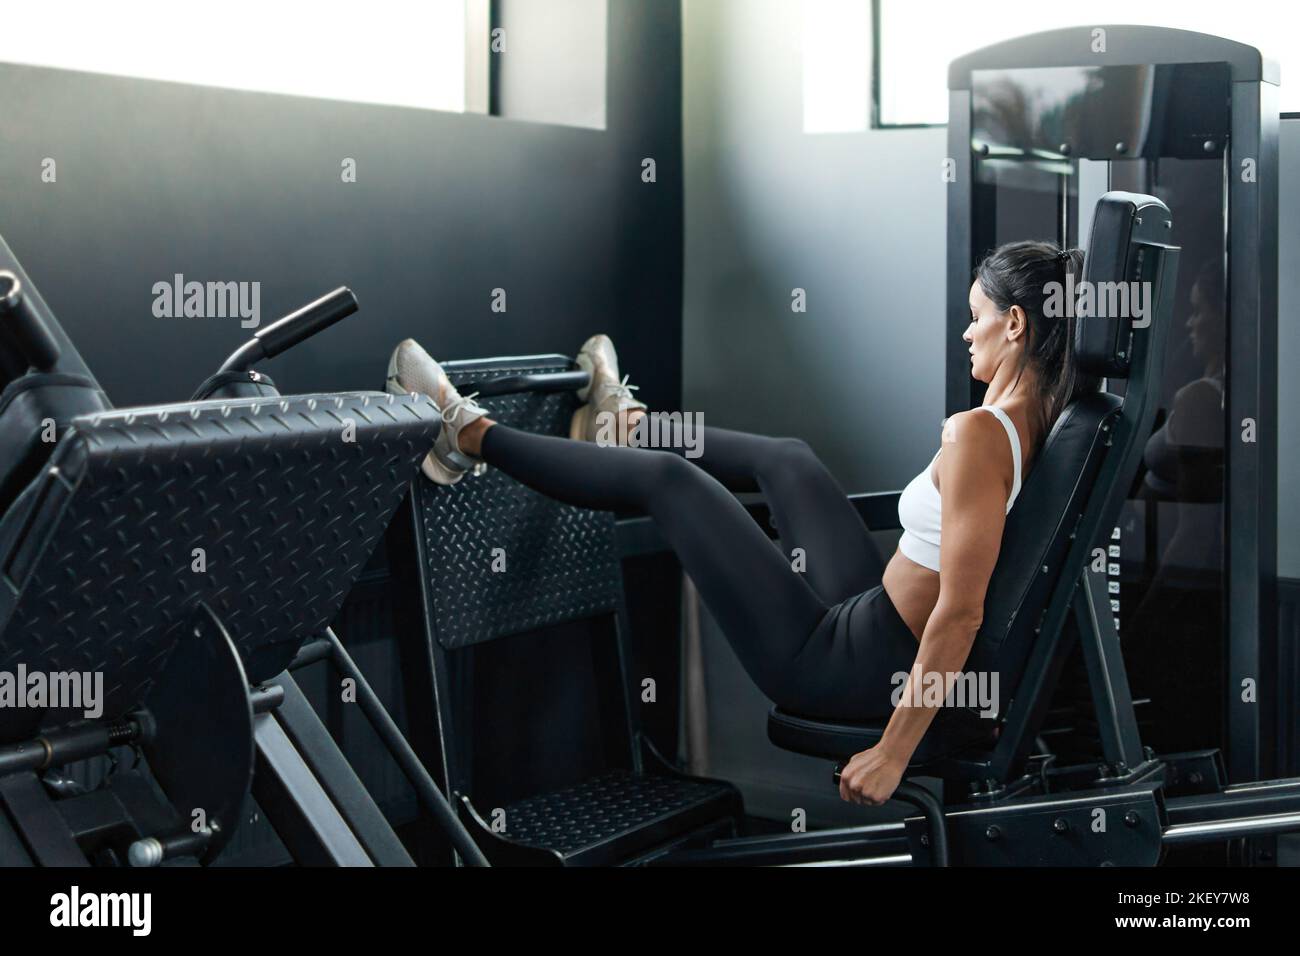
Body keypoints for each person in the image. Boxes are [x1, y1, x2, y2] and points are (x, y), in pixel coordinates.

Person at [386, 241, 1095, 807]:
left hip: (843, 663)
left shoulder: (979, 434)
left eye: (977, 316)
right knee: (788, 460)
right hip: (873, 618)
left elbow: (961, 614)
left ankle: (467, 434)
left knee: (673, 482)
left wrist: (893, 750)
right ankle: (624, 424)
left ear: (1016, 324)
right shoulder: (1039, 424)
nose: (967, 331)